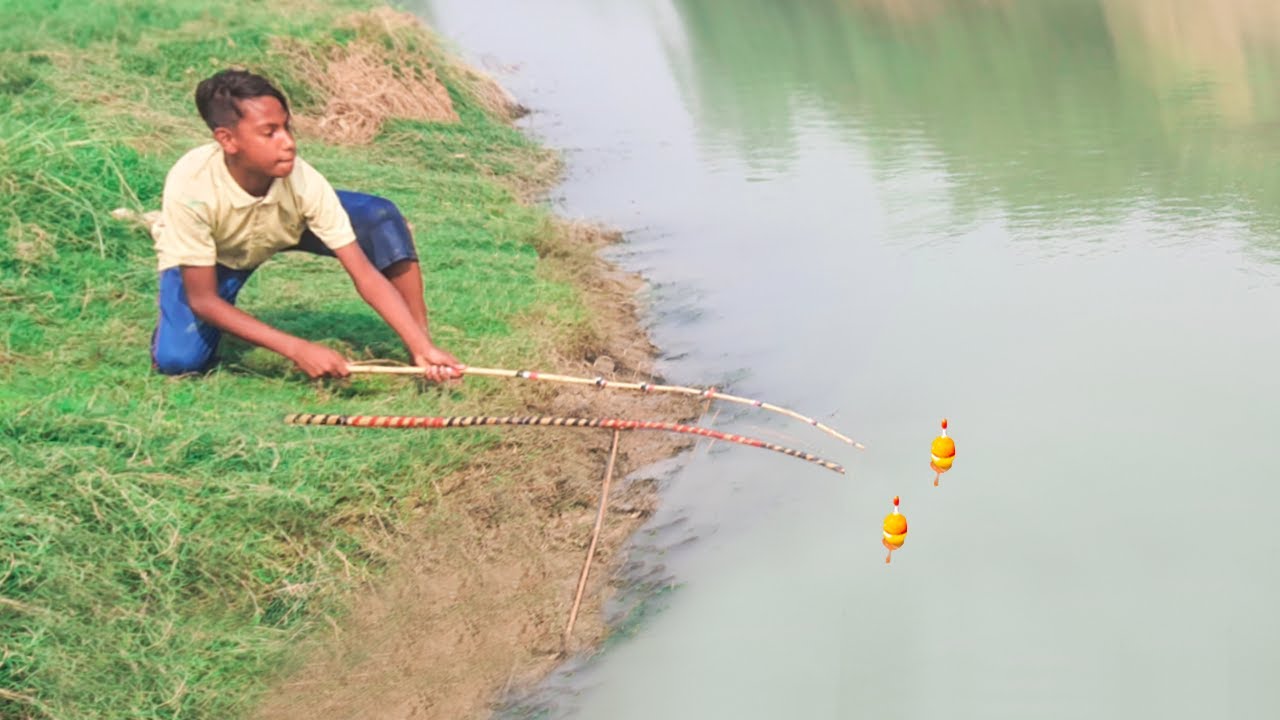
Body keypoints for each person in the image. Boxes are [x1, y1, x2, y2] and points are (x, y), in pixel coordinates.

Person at [148, 68, 461, 382]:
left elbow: (363, 273)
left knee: (380, 218)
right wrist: (297, 348)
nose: (289, 143)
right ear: (227, 140)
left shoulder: (303, 180)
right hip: (219, 255)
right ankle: (209, 320)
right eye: (269, 132)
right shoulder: (192, 187)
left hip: (284, 228)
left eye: (287, 127)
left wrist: (420, 345)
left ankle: (422, 352)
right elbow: (202, 299)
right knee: (179, 360)